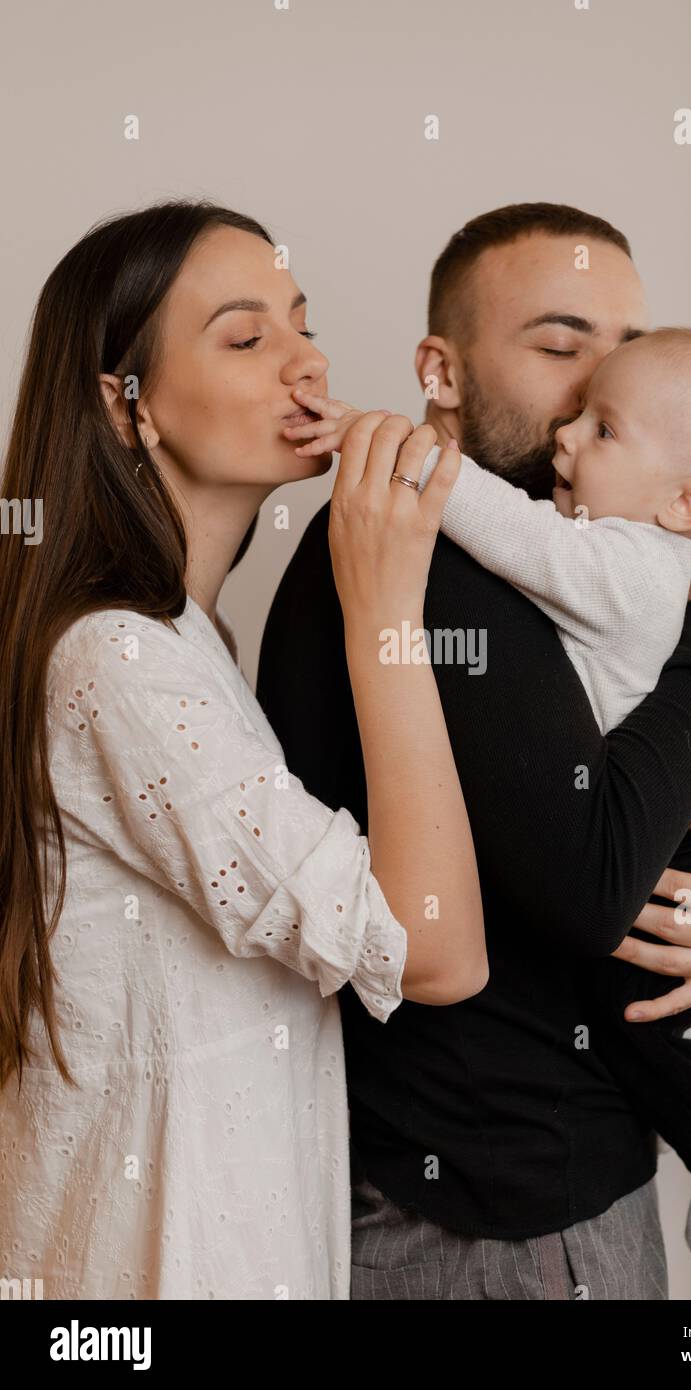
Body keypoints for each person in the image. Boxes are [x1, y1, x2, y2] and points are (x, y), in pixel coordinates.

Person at [257, 203, 691, 1300]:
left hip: (520, 1188)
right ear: (438, 371)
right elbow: (595, 886)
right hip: (499, 1218)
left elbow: (607, 794)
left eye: (624, 352)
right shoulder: (438, 562)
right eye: (558, 344)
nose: (599, 389)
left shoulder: (541, 558)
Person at [0, 199, 487, 1300]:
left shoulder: (191, 638)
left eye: (301, 323)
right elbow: (435, 951)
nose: (305, 362)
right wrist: (384, 608)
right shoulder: (119, 660)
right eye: (245, 335)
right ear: (123, 409)